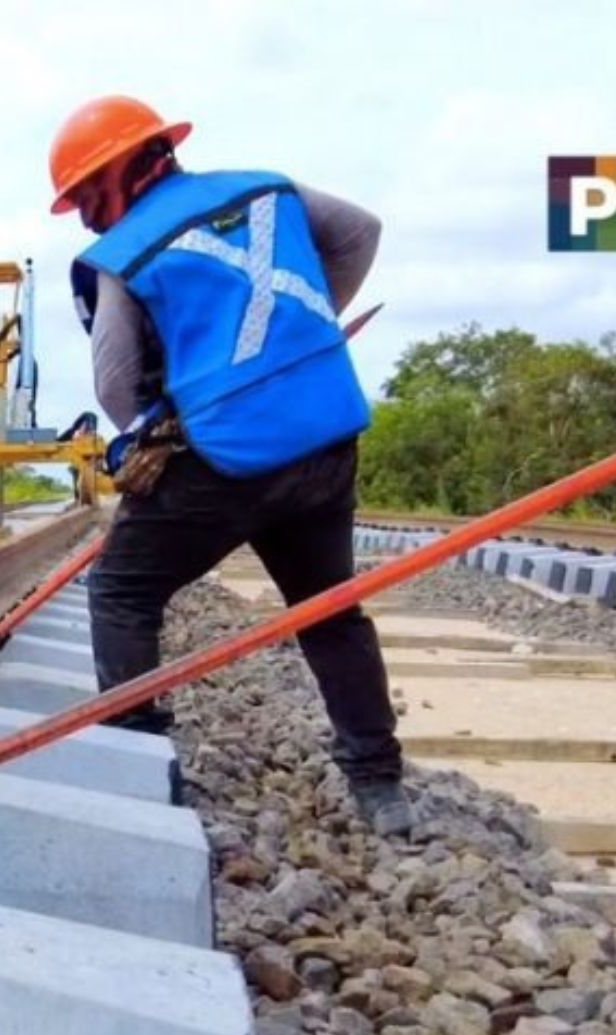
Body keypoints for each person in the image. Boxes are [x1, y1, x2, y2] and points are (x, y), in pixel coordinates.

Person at [48, 94, 412, 836]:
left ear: (121, 172)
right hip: (323, 439)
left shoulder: (120, 256)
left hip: (224, 460)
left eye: (87, 195)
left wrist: (157, 426)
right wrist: (300, 341)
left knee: (120, 589)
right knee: (328, 611)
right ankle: (381, 790)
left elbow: (116, 383)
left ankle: (138, 779)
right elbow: (361, 233)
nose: (89, 215)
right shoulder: (268, 189)